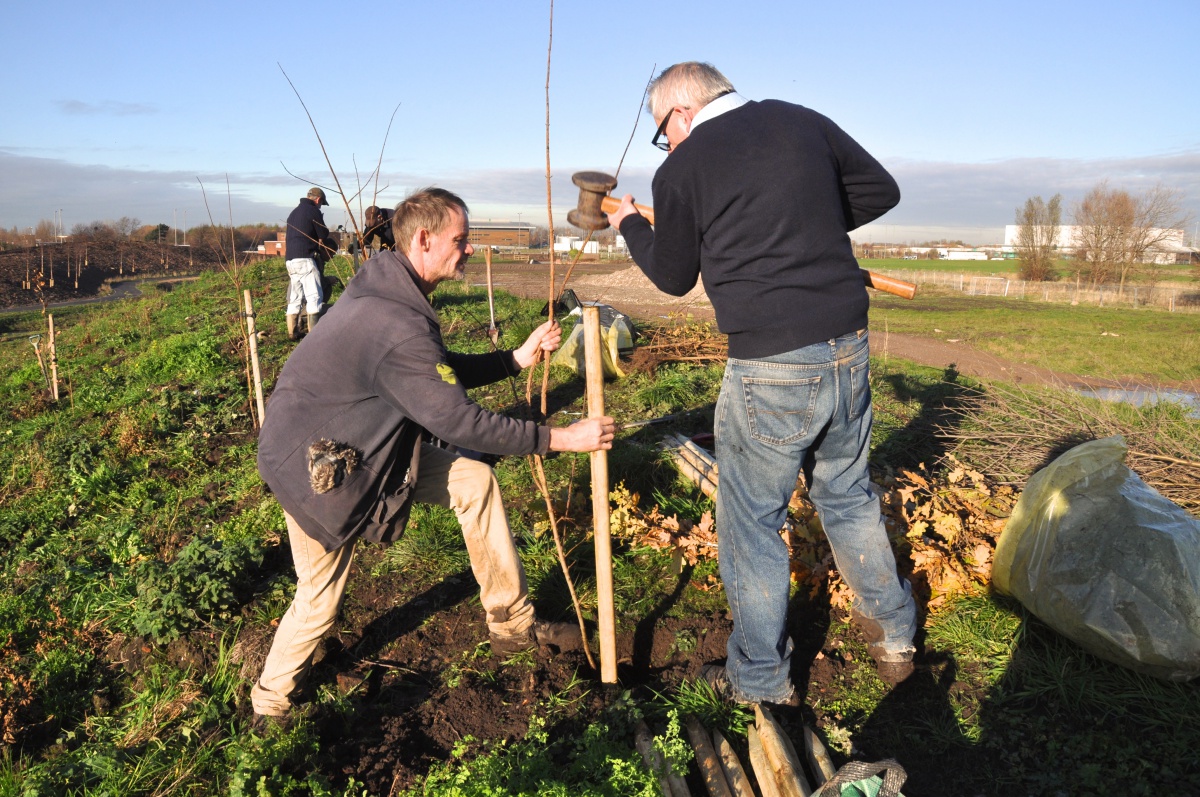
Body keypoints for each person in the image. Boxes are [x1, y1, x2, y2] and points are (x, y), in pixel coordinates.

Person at [606, 62, 917, 705]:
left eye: (663, 135)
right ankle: (894, 636)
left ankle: (759, 680)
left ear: (681, 113)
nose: (667, 147)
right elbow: (879, 190)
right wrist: (809, 233)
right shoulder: (801, 121)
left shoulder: (686, 167)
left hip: (773, 365)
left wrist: (631, 222)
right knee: (849, 493)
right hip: (848, 346)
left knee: (751, 521)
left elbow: (671, 274)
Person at [252, 186, 615, 723]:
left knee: (472, 480)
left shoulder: (389, 290)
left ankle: (511, 626)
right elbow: (456, 419)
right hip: (317, 469)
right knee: (319, 601)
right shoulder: (394, 322)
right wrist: (562, 438)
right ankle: (271, 705)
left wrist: (514, 359)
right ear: (424, 240)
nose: (469, 250)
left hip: (360, 447)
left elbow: (435, 368)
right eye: (461, 240)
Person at [284, 187, 330, 340]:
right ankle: (314, 335)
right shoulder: (313, 211)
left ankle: (293, 333)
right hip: (305, 258)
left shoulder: (293, 213)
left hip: (290, 260)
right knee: (314, 296)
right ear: (318, 200)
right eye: (321, 203)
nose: (320, 206)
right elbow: (323, 233)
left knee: (295, 297)